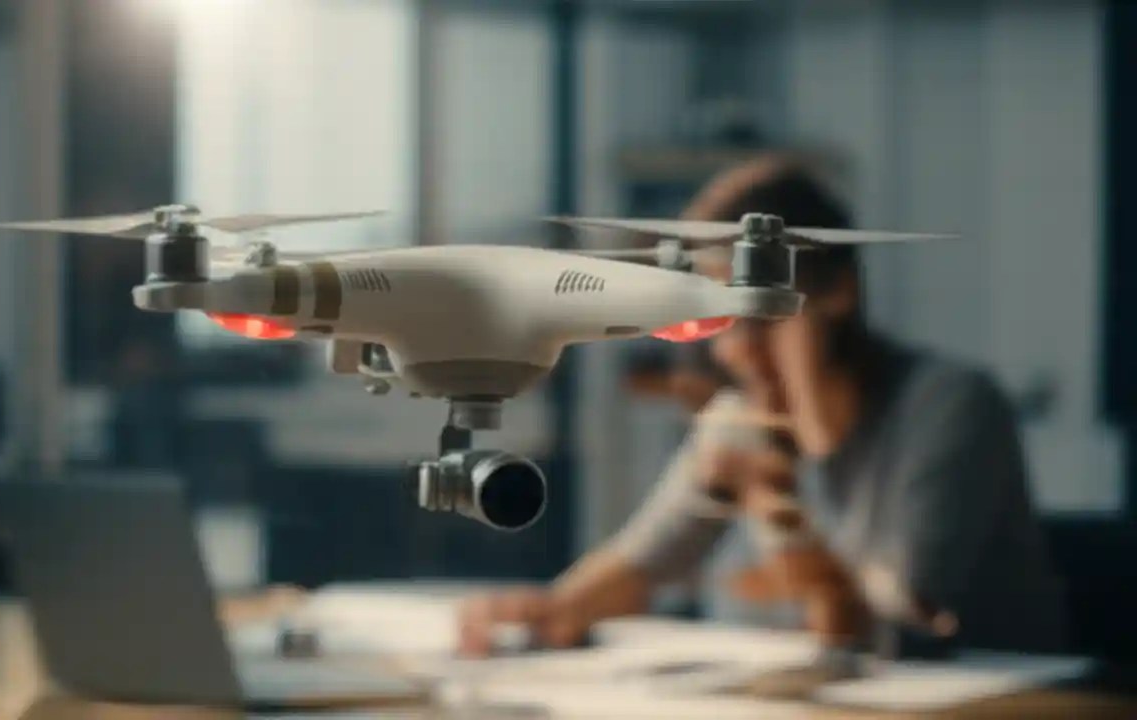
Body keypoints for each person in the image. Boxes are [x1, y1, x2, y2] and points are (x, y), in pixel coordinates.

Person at [457, 155, 1067, 656]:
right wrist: (553, 610)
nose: (737, 349)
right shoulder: (738, 417)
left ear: (839, 293)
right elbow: (643, 561)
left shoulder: (953, 407)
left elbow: (889, 623)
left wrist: (782, 512)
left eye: (762, 310)